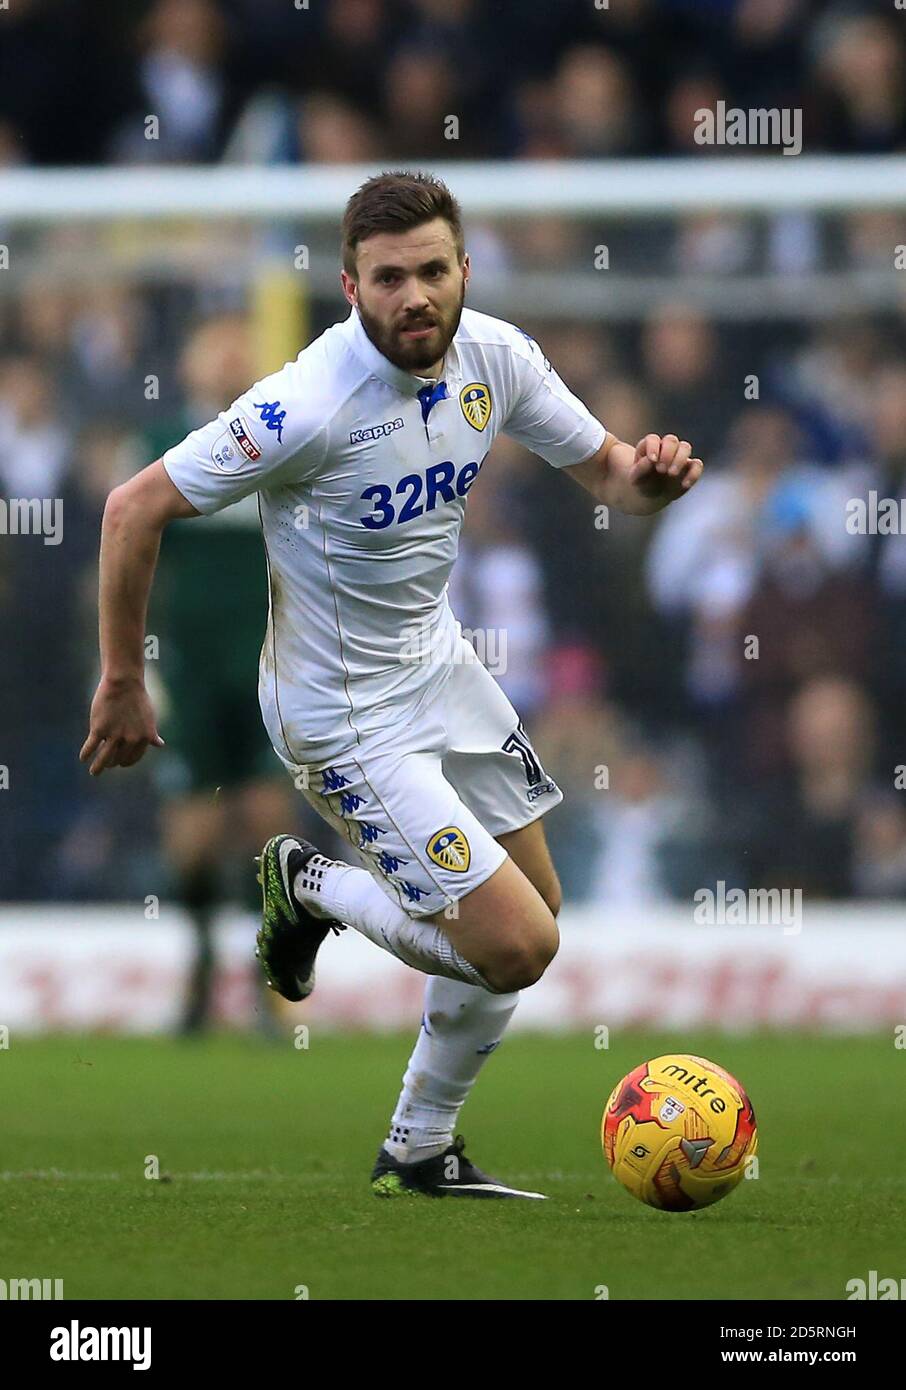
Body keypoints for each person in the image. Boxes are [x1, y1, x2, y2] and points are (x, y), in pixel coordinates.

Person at [80, 170, 703, 1199]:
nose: (412, 296)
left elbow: (609, 474)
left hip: (440, 670)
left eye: (429, 271)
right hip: (340, 714)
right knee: (516, 947)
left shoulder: (496, 358)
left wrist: (655, 479)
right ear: (349, 287)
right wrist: (119, 679)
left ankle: (420, 1146)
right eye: (387, 279)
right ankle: (308, 883)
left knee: (536, 907)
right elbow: (129, 508)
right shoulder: (305, 404)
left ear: (464, 269)